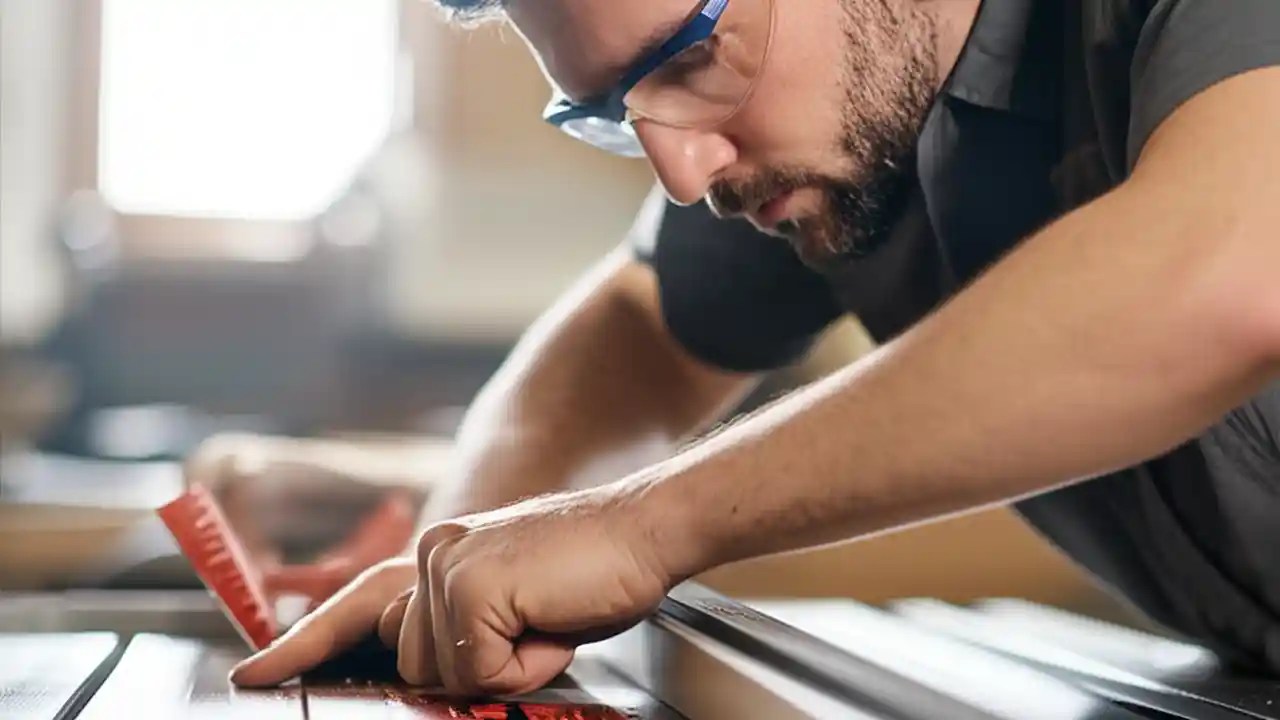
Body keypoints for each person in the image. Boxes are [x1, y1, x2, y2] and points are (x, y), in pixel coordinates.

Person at [226, 0, 1280, 696]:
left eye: (688, 59)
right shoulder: (842, 128)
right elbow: (636, 324)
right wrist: (462, 561)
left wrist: (640, 526)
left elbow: (1227, 268)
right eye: (614, 111)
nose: (684, 178)